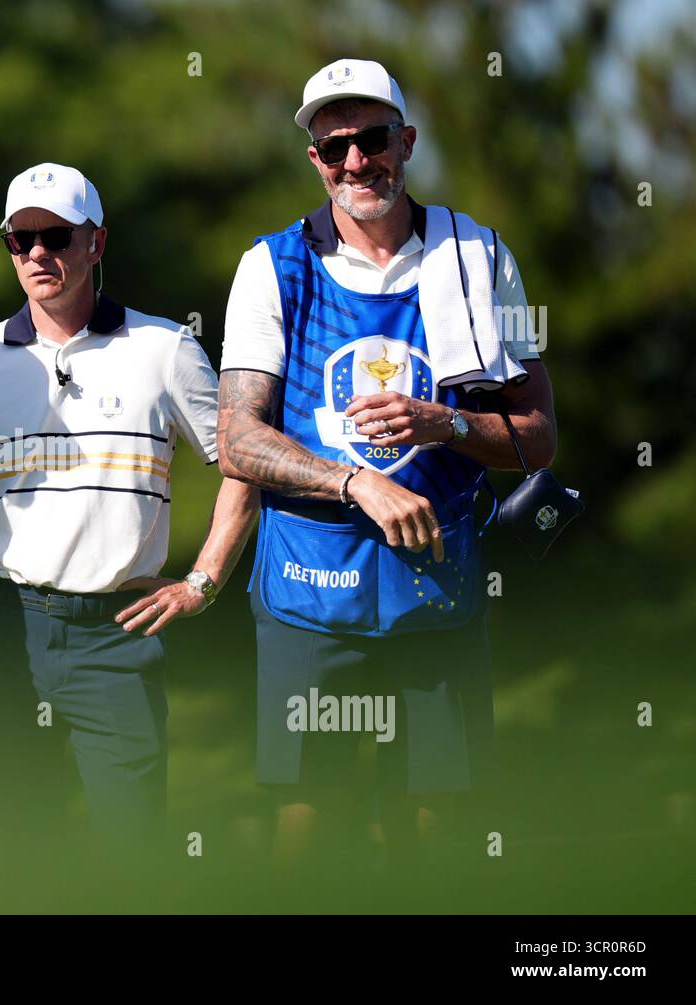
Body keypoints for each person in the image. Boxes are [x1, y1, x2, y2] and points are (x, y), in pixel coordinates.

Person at [217, 60, 557, 874]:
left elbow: (537, 437)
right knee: (309, 825)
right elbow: (238, 438)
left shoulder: (479, 256)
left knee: (439, 824)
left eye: (372, 139)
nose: (355, 163)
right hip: (310, 587)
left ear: (406, 141)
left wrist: (444, 422)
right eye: (333, 149)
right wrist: (355, 480)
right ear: (314, 162)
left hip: (436, 583)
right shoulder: (270, 265)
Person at [0, 162, 258, 851]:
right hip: (2, 622)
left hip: (115, 631)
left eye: (56, 235)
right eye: (20, 238)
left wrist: (203, 581)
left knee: (133, 849)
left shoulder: (166, 348)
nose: (38, 253)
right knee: (16, 848)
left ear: (96, 242)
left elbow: (242, 466)